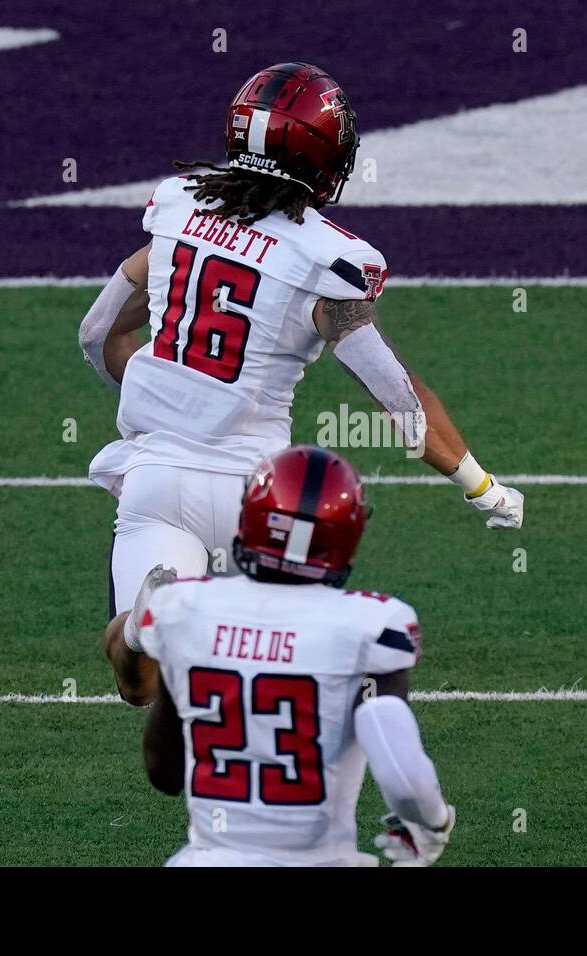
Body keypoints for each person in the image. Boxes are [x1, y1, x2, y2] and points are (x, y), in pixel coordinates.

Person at [78, 61, 523, 632]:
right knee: (267, 664)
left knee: (141, 675)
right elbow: (397, 396)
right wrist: (481, 487)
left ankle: (144, 634)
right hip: (257, 494)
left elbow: (97, 332)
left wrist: (165, 392)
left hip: (155, 478)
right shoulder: (326, 259)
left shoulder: (181, 210)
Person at [106, 445, 454, 866]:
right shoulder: (370, 624)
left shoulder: (187, 611)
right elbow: (399, 763)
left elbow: (164, 773)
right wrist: (432, 824)